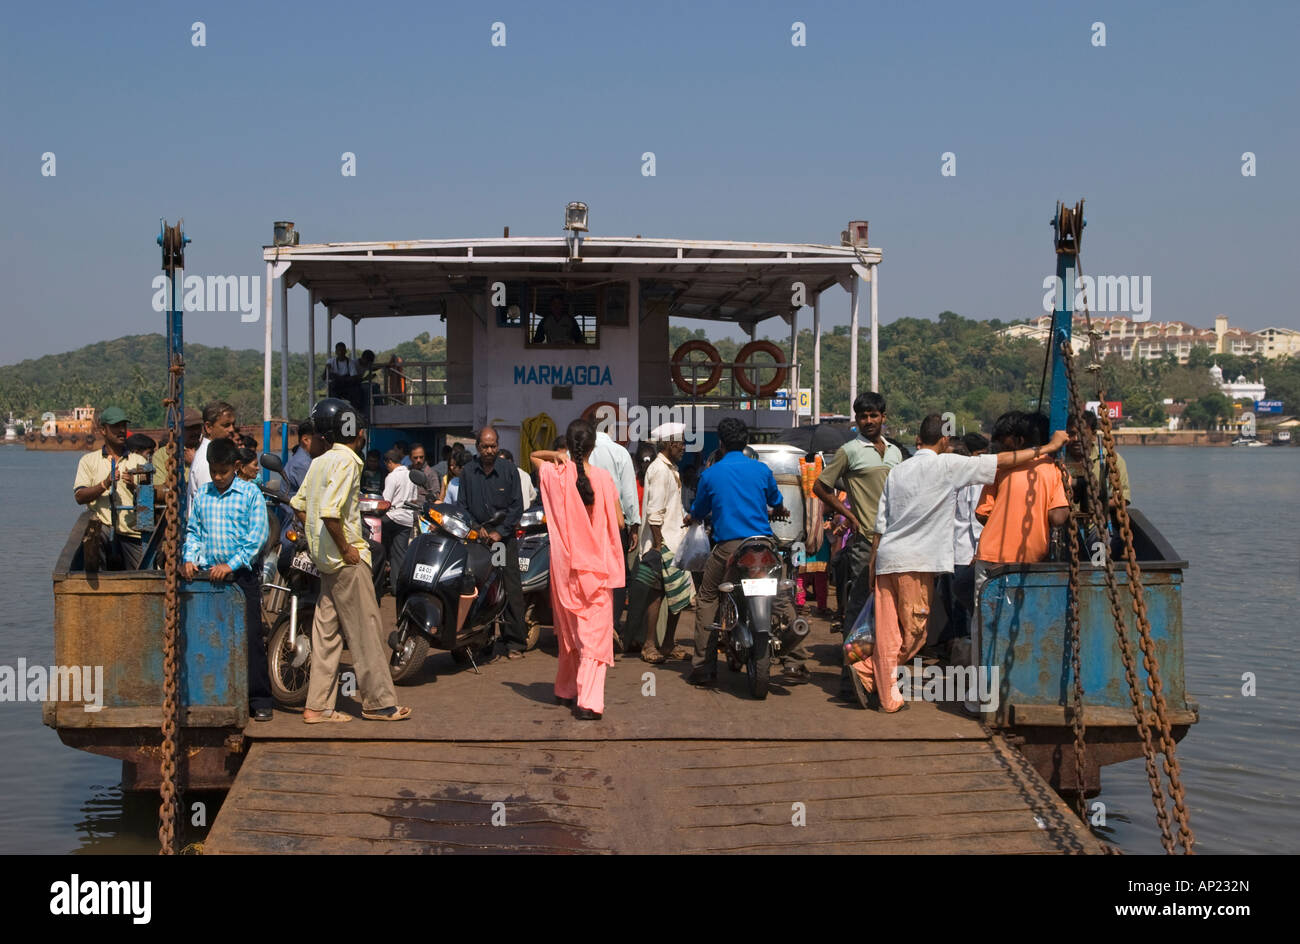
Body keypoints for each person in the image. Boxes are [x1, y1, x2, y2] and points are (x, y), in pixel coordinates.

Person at [850, 414, 1070, 713]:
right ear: (944, 441)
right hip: (914, 561)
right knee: (916, 634)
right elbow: (1002, 460)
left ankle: (886, 694)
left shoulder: (898, 470)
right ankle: (867, 670)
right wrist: (1050, 447)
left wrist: (875, 559)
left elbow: (881, 520)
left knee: (890, 629)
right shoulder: (947, 465)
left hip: (889, 556)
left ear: (919, 439)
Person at [290, 399, 411, 724]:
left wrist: (319, 538)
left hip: (324, 563)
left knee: (326, 634)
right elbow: (331, 512)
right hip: (346, 562)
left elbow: (300, 505)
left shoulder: (318, 462)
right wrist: (345, 548)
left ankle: (317, 707)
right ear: (355, 432)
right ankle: (379, 703)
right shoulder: (348, 461)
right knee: (366, 631)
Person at [687, 418, 804, 685]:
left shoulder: (711, 474)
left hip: (729, 548)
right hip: (764, 545)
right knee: (782, 596)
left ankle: (703, 666)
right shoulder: (761, 470)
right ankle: (795, 661)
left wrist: (691, 517)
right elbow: (776, 501)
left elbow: (699, 510)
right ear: (746, 442)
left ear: (721, 443)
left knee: (707, 597)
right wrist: (778, 509)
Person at [532, 419, 624, 719]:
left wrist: (555, 456)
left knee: (569, 636)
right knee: (595, 639)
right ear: (593, 446)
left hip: (564, 571)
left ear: (568, 447)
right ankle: (588, 701)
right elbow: (620, 522)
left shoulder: (555, 474)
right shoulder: (603, 479)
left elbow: (534, 457)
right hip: (595, 571)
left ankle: (565, 690)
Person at [182, 437, 273, 721]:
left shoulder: (250, 494)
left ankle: (259, 699)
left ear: (236, 466)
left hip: (241, 577)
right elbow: (194, 532)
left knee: (250, 638)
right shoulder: (204, 495)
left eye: (223, 471)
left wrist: (231, 565)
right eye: (213, 471)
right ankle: (217, 693)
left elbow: (256, 538)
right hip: (208, 577)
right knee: (210, 636)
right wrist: (190, 558)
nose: (218, 477)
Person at [455, 425, 527, 659]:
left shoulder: (509, 471)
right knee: (479, 588)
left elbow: (517, 506)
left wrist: (500, 532)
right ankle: (481, 641)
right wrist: (478, 529)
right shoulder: (467, 472)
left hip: (501, 542)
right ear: (477, 447)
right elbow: (462, 506)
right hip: (478, 541)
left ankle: (514, 641)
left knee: (508, 587)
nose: (489, 450)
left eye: (493, 445)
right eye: (485, 446)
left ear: (498, 445)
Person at [624, 433, 693, 662]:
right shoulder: (660, 470)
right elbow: (655, 514)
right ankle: (650, 645)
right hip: (662, 543)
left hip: (675, 540)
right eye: (680, 443)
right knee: (657, 595)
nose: (683, 447)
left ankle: (668, 644)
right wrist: (658, 544)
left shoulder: (671, 468)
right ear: (668, 444)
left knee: (677, 596)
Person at [73, 406, 149, 570]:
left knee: (145, 570)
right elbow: (79, 496)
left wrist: (133, 487)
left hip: (132, 532)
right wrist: (105, 484)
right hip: (104, 530)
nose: (121, 430)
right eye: (115, 426)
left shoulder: (139, 461)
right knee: (95, 534)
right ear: (103, 430)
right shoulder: (89, 461)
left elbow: (148, 501)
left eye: (124, 426)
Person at [380, 446, 419, 596]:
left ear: (389, 462)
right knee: (399, 555)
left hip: (392, 516)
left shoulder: (391, 477)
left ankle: (379, 574)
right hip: (407, 519)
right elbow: (414, 500)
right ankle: (398, 589)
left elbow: (386, 502)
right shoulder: (411, 475)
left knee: (373, 536)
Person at [189, 401, 238, 502]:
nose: (232, 429)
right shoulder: (207, 459)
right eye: (226, 425)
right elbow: (213, 501)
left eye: (233, 424)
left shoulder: (217, 453)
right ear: (209, 427)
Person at [280, 420, 316, 501]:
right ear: (305, 440)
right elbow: (314, 497)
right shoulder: (302, 464)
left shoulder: (307, 459)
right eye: (318, 439)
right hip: (293, 512)